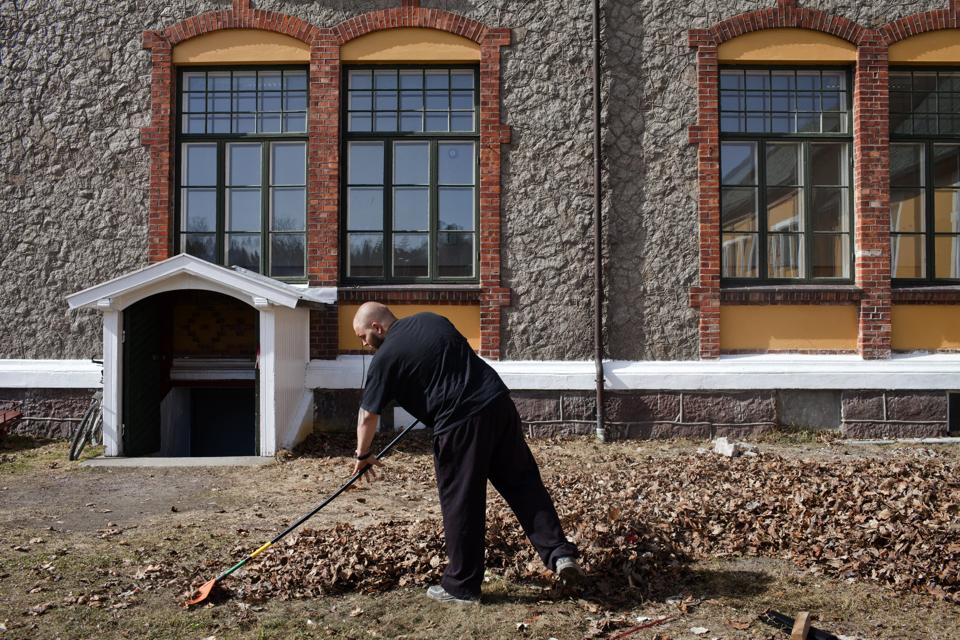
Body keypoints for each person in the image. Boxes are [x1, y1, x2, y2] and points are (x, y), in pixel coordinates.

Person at [351, 302, 582, 604]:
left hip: (459, 425)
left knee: (462, 501)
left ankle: (461, 586)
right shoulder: (431, 319)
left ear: (378, 327)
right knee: (523, 483)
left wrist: (362, 455)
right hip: (497, 403)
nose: (364, 344)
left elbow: (368, 414)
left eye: (363, 336)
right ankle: (560, 554)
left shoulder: (384, 357)